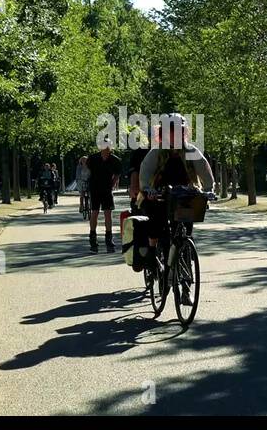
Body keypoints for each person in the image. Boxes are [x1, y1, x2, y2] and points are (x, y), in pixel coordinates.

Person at [138, 114, 216, 305]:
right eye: (169, 131)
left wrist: (208, 191)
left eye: (178, 130)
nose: (174, 134)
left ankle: (186, 288)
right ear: (162, 133)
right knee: (157, 230)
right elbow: (145, 173)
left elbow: (205, 173)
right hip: (159, 198)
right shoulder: (157, 153)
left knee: (185, 241)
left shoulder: (191, 151)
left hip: (184, 199)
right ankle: (154, 263)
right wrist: (148, 190)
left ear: (184, 132)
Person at [87, 144, 123, 253]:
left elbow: (117, 174)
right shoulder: (93, 158)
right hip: (95, 188)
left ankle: (109, 240)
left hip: (107, 189)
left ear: (110, 150)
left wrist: (112, 184)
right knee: (95, 212)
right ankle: (93, 238)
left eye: (108, 151)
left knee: (108, 213)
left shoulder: (115, 160)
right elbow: (88, 168)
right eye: (104, 150)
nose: (105, 153)